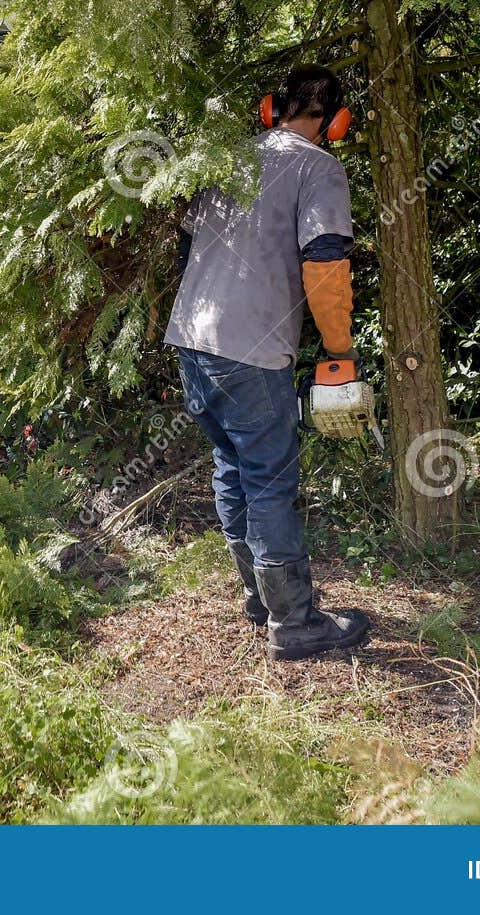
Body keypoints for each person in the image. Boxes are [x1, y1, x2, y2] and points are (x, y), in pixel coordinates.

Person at [164, 64, 370, 661]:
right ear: (335, 121)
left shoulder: (227, 159)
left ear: (268, 109)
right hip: (251, 350)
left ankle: (260, 598)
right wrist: (339, 352)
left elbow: (187, 249)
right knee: (271, 480)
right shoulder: (320, 167)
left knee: (231, 467)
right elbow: (326, 262)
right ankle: (295, 624)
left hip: (192, 338)